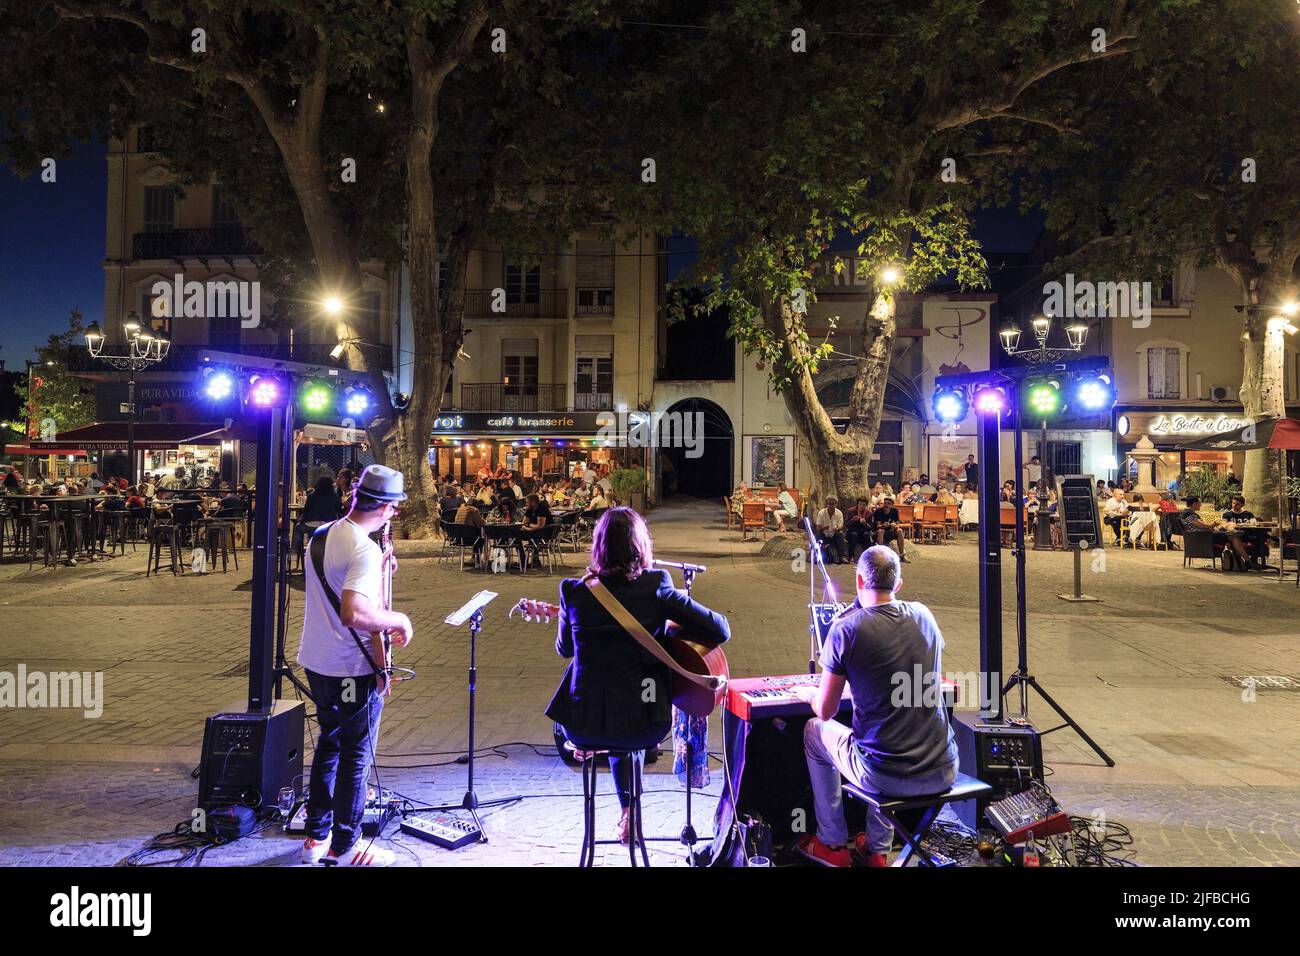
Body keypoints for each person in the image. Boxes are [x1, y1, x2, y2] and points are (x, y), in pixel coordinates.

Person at [546, 507, 730, 844]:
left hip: (584, 723)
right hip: (646, 722)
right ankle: (630, 810)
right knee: (626, 725)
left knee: (614, 718)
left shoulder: (572, 590)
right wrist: (670, 625)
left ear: (598, 547)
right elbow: (721, 629)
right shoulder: (657, 584)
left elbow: (565, 650)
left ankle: (627, 809)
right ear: (639, 545)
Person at [792, 546, 958, 867]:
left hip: (885, 776)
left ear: (858, 580)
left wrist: (805, 693)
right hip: (942, 768)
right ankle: (877, 850)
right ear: (898, 584)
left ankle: (832, 844)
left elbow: (825, 710)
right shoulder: (924, 615)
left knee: (816, 730)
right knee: (890, 732)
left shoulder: (847, 628)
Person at [298, 465, 413, 867]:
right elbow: (355, 614)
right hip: (350, 667)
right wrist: (399, 623)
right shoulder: (363, 548)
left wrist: (378, 573)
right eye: (395, 507)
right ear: (382, 507)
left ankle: (315, 836)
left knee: (329, 746)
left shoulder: (323, 534)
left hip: (317, 660)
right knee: (355, 755)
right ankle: (345, 847)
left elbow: (339, 580)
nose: (395, 514)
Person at [1177, 496, 1251, 568]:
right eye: (1200, 503)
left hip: (1206, 535)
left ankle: (1233, 533)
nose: (1201, 504)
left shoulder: (1188, 513)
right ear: (1194, 504)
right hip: (1205, 537)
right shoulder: (1188, 514)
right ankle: (1247, 560)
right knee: (1234, 536)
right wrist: (1213, 524)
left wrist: (1213, 526)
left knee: (1231, 530)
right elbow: (1204, 526)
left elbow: (1204, 526)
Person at [294, 475, 343, 558]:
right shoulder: (334, 496)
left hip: (311, 525)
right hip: (328, 526)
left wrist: (301, 521)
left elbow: (306, 511)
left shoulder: (312, 496)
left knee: (297, 529)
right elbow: (339, 509)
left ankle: (295, 550)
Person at [872, 496, 909, 562]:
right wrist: (883, 525)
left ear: (892, 505)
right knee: (881, 531)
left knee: (899, 531)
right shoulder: (879, 511)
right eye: (885, 503)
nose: (886, 505)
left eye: (889, 503)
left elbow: (898, 525)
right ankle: (881, 556)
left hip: (890, 531)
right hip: (879, 532)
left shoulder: (894, 511)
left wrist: (894, 526)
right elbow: (877, 526)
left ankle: (902, 555)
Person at [814, 496, 848, 564]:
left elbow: (841, 525)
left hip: (834, 535)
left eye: (833, 504)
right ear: (826, 504)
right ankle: (817, 555)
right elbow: (817, 528)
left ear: (836, 504)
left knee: (840, 534)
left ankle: (842, 556)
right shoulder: (821, 513)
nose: (831, 505)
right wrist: (823, 528)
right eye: (829, 504)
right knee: (818, 535)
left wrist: (837, 528)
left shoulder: (839, 513)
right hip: (824, 535)